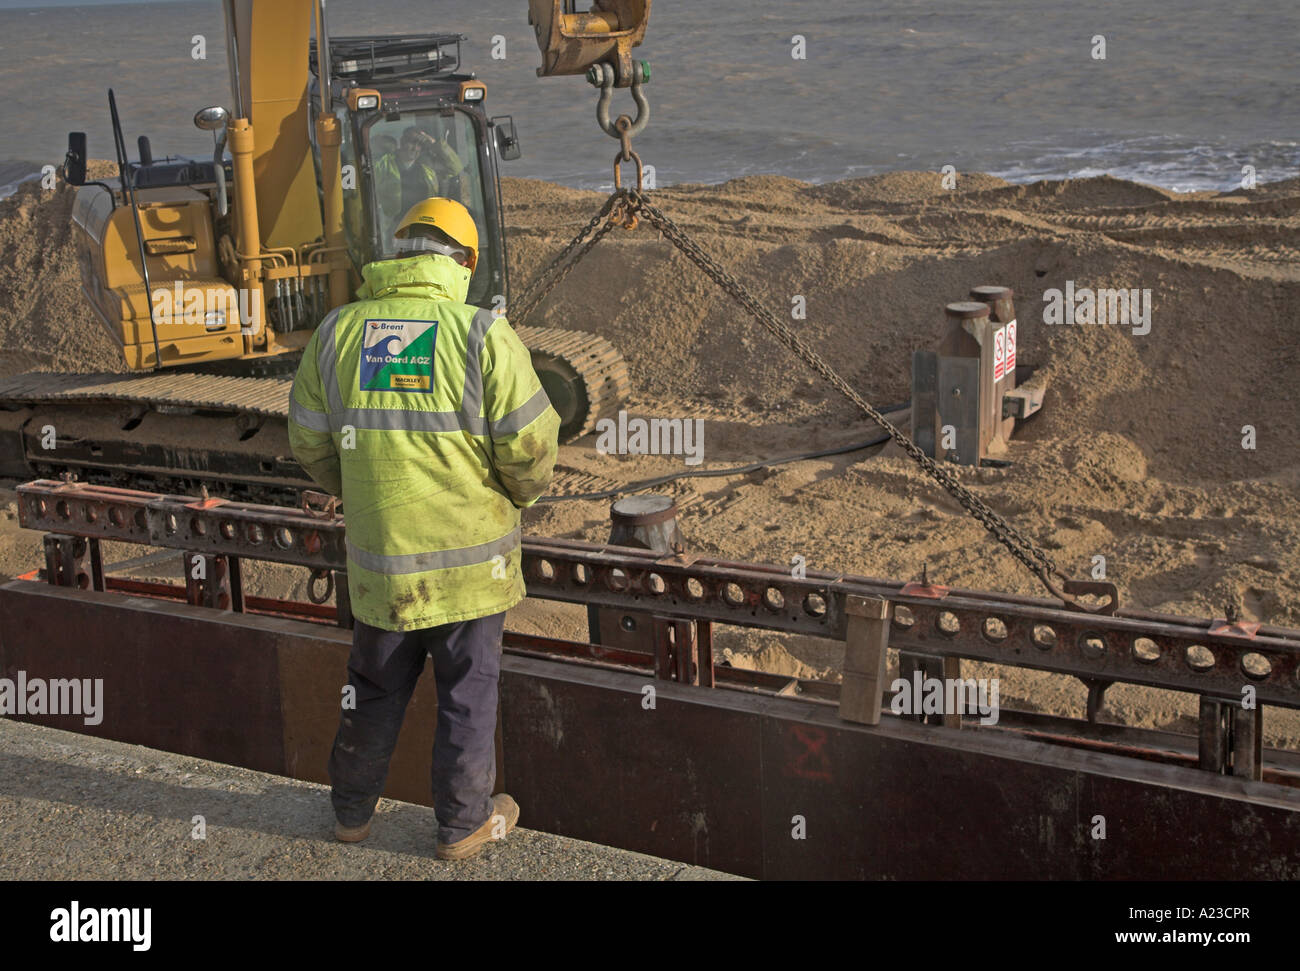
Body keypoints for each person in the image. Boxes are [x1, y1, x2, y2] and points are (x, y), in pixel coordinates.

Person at [287, 197, 560, 860]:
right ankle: (464, 822)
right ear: (463, 262)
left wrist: (356, 490)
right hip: (470, 570)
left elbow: (310, 443)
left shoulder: (337, 333)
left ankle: (350, 813)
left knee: (373, 684)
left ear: (399, 255)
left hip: (383, 567)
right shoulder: (482, 335)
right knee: (467, 692)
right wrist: (517, 497)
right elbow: (529, 446)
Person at [374, 127, 465, 238]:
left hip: (424, 226)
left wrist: (434, 143)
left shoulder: (427, 169)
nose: (415, 148)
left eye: (419, 144)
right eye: (412, 142)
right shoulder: (385, 164)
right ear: (402, 142)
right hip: (394, 227)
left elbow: (456, 168)